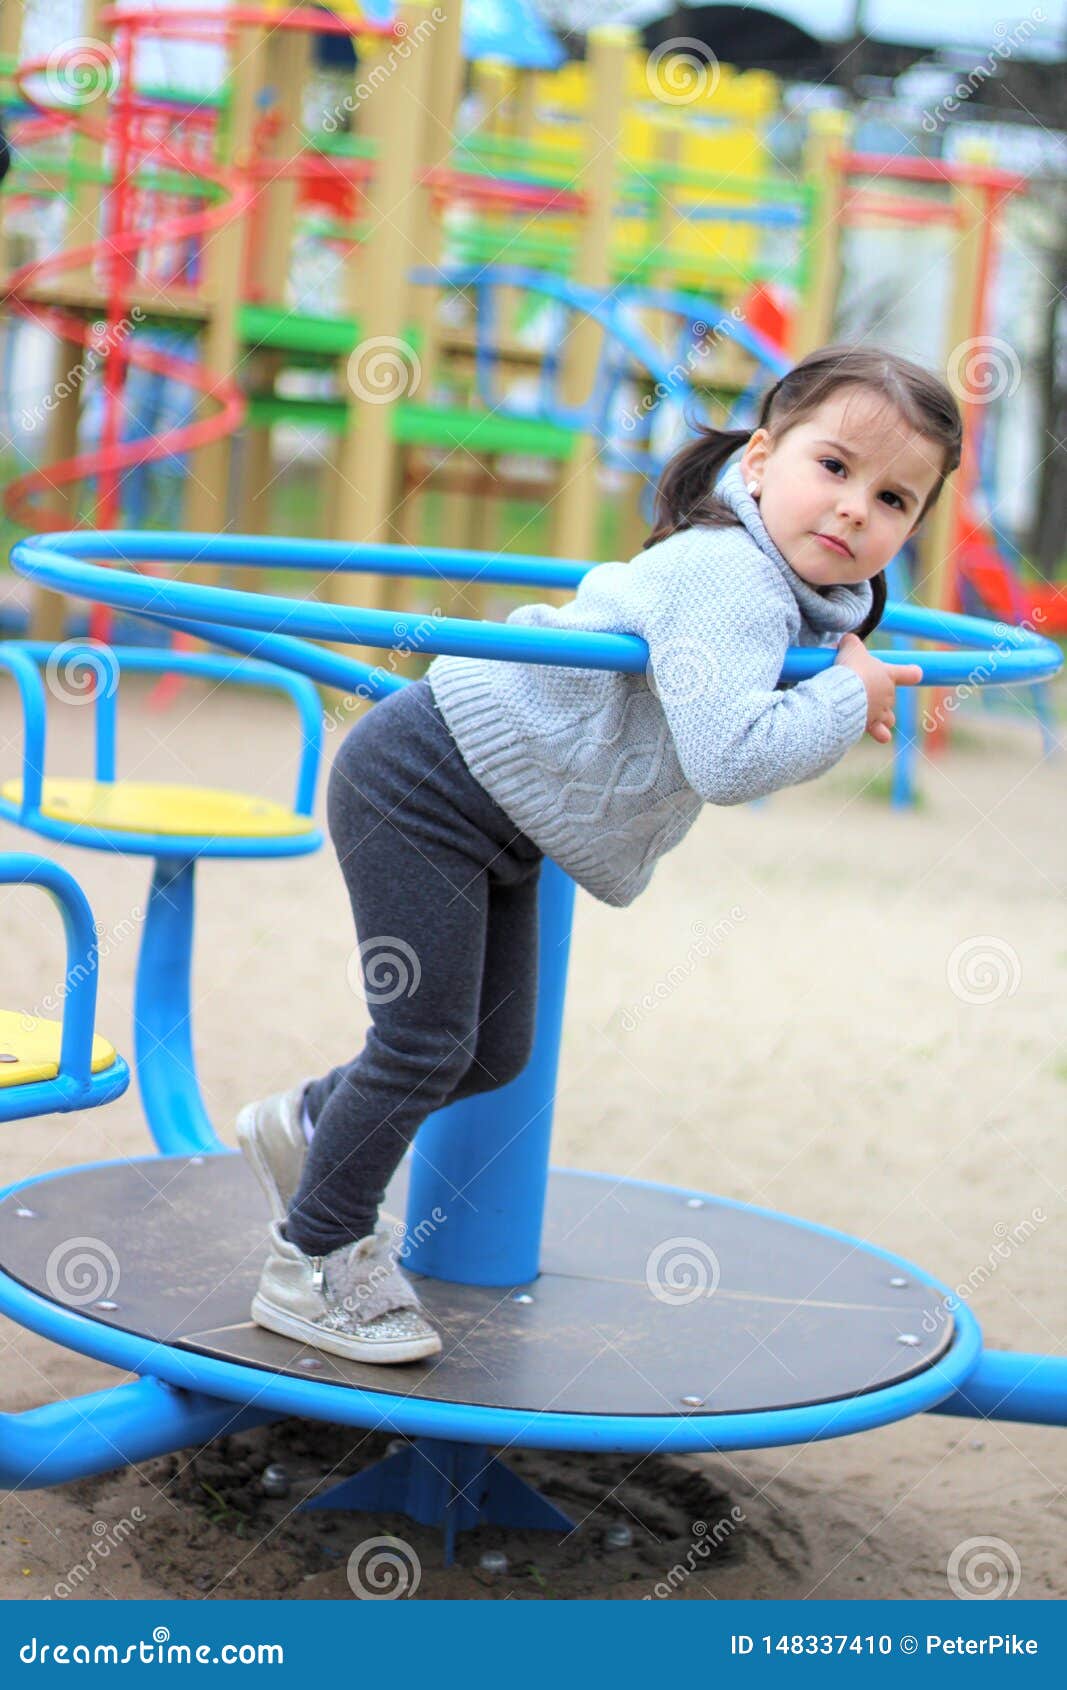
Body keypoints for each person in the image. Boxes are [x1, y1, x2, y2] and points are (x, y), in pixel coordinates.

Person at [236, 343, 963, 1365]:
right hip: (428, 784)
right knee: (424, 1040)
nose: (853, 508)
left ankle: (308, 1124)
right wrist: (846, 695)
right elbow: (726, 757)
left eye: (891, 498)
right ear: (758, 460)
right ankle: (308, 1262)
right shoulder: (731, 577)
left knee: (491, 1051)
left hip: (501, 807)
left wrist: (840, 683)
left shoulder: (794, 598)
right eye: (833, 467)